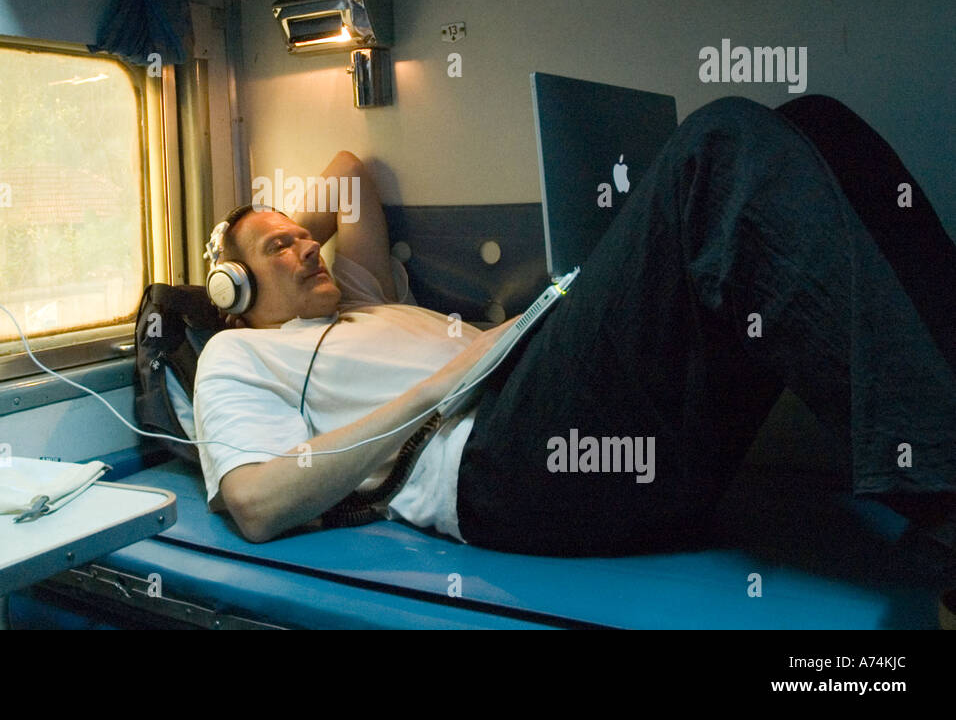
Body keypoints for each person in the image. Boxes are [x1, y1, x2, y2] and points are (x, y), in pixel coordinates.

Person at [192, 95, 956, 561]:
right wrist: (446, 382)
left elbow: (349, 168)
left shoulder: (359, 291)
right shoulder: (240, 349)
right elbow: (256, 503)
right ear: (233, 289)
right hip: (503, 462)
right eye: (279, 248)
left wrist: (279, 233)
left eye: (305, 235)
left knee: (818, 124)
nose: (304, 246)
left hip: (580, 415)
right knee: (716, 144)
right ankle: (944, 493)